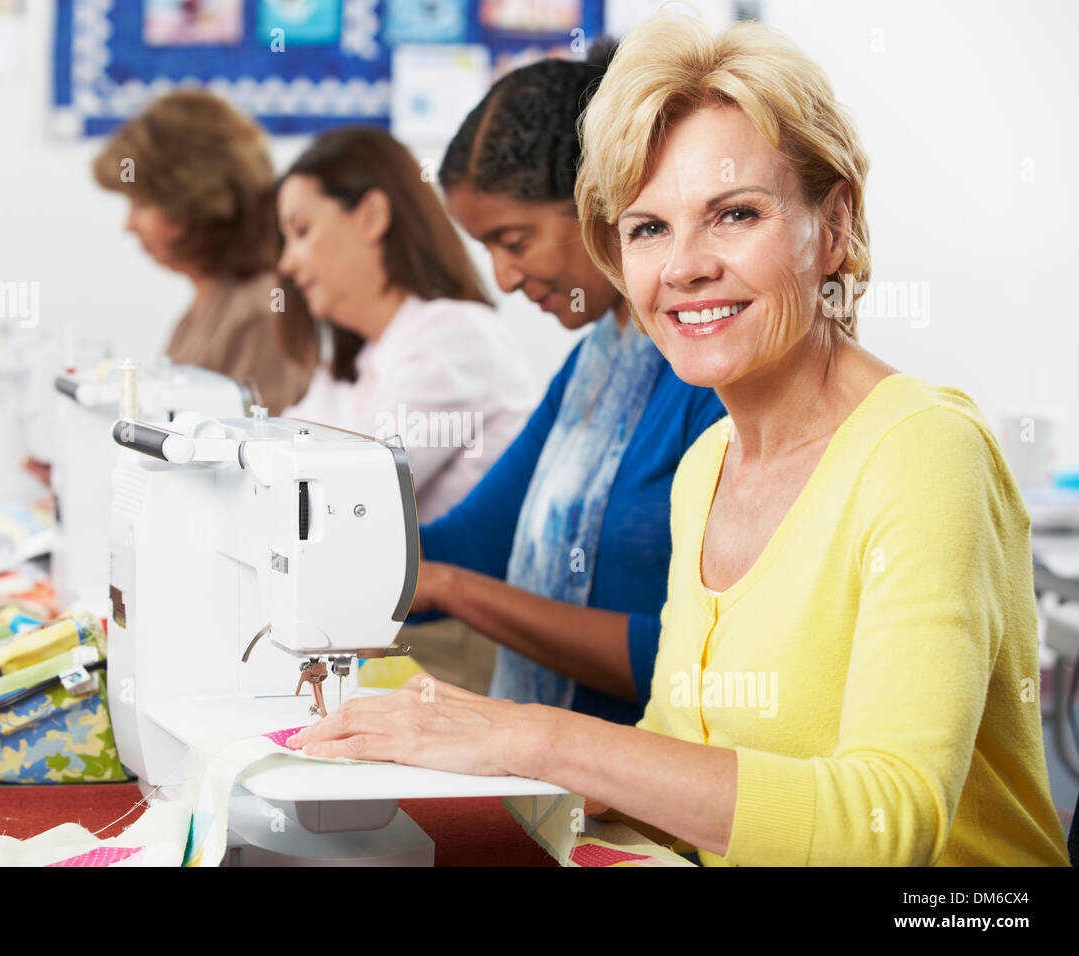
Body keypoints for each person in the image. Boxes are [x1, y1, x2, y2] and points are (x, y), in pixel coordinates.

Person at [289, 13, 1071, 866]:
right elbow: (671, 760)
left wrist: (534, 741)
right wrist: (448, 772)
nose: (684, 266)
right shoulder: (709, 466)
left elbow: (885, 826)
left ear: (833, 225)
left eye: (735, 214)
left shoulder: (924, 451)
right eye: (648, 228)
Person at [399, 43, 726, 721]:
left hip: (652, 798)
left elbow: (686, 661)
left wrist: (455, 590)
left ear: (600, 200)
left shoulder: (713, 377)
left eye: (514, 241)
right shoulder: (599, 366)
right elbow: (471, 543)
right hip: (565, 782)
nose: (504, 278)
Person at [276, 127, 537, 524]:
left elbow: (340, 501)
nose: (286, 263)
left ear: (372, 216)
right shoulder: (356, 360)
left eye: (302, 232)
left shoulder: (454, 337)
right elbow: (273, 457)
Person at [93, 90, 314, 413]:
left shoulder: (259, 313)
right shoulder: (207, 303)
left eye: (141, 204)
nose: (128, 225)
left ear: (189, 202)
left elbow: (255, 448)